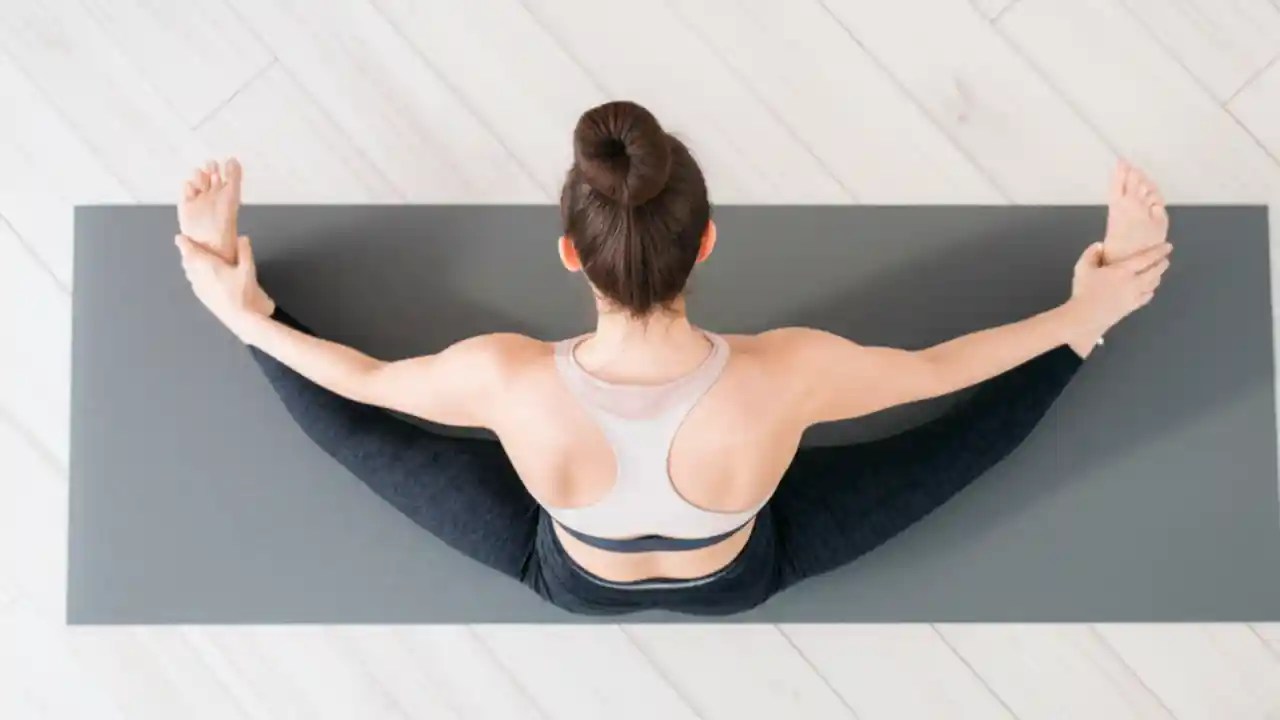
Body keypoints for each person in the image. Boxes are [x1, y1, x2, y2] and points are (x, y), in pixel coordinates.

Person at [173, 100, 1172, 616]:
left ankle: (240, 306)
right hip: (739, 571)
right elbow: (939, 370)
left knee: (359, 431)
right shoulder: (786, 374)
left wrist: (240, 305)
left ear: (570, 253)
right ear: (704, 241)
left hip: (568, 575)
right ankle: (1089, 332)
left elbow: (364, 381)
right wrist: (1077, 309)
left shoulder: (503, 378)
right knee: (949, 449)